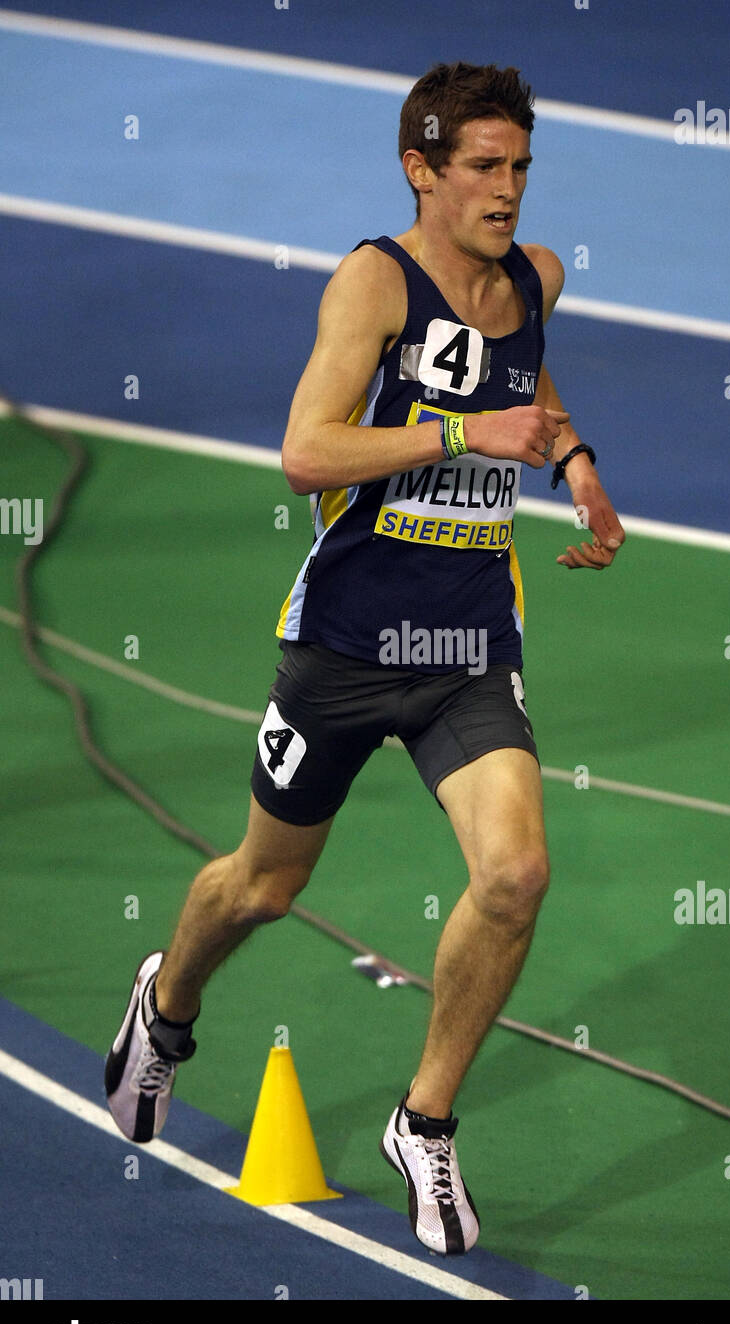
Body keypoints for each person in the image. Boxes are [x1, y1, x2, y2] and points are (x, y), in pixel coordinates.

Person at [105, 60, 625, 1257]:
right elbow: (303, 450)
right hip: (343, 643)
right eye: (484, 168)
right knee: (263, 886)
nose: (509, 191)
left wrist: (573, 455)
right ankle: (167, 1008)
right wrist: (457, 431)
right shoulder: (371, 282)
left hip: (465, 647)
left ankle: (424, 1118)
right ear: (422, 169)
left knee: (514, 875)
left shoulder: (533, 280)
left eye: (521, 168)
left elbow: (521, 376)